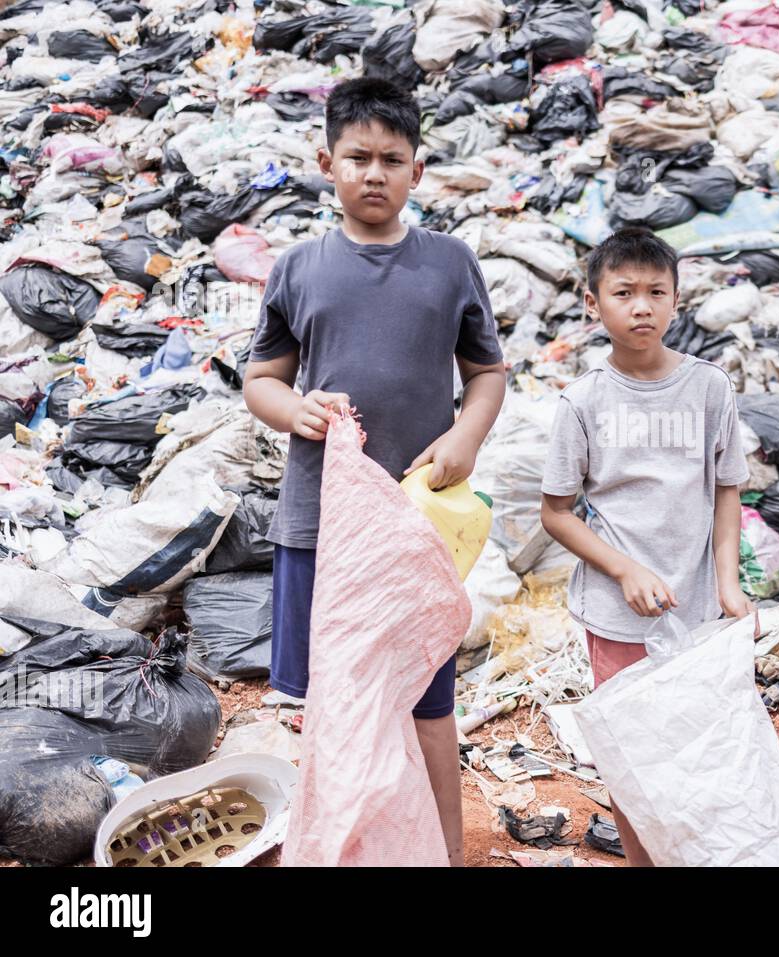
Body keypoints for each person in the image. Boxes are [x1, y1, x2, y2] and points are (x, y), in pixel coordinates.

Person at [243, 76, 507, 866]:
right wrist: (297, 412)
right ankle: (341, 846)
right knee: (332, 700)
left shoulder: (450, 264)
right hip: (320, 520)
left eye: (392, 159)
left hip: (416, 529)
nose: (373, 173)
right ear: (326, 162)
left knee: (428, 702)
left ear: (417, 172)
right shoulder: (298, 268)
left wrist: (466, 435)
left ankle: (446, 854)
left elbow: (488, 374)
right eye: (357, 156)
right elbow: (262, 379)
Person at [539, 226, 754, 866]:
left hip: (697, 609)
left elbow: (727, 492)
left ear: (677, 302)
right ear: (592, 303)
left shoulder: (710, 387)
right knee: (634, 754)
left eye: (656, 292)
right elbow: (556, 514)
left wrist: (729, 586)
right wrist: (624, 568)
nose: (641, 306)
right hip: (617, 614)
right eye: (624, 292)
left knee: (695, 747)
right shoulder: (582, 401)